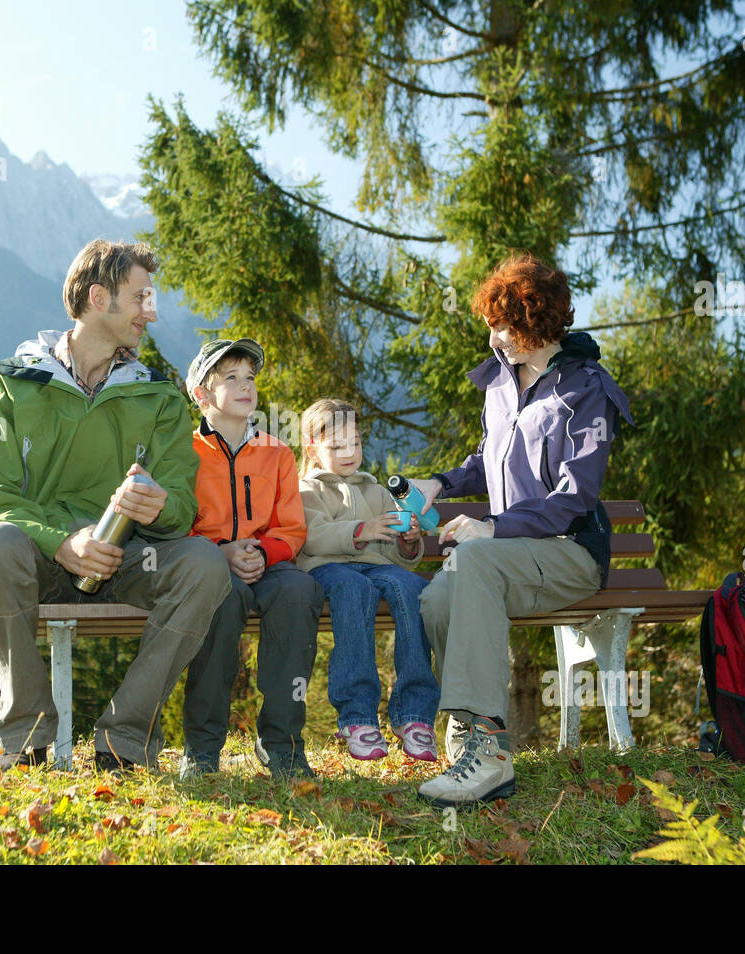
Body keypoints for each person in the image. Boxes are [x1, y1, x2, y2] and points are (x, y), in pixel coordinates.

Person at [0, 239, 230, 775]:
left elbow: (181, 507)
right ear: (99, 298)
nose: (151, 312)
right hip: (32, 554)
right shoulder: (7, 387)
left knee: (204, 564)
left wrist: (158, 504)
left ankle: (124, 739)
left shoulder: (159, 397)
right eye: (140, 297)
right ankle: (28, 736)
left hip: (128, 558)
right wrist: (63, 543)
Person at [411, 253, 633, 807]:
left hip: (568, 552)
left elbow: (574, 497)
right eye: (492, 326)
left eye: (507, 327)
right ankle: (468, 730)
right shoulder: (499, 385)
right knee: (438, 597)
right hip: (508, 553)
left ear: (540, 322)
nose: (497, 339)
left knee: (473, 561)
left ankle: (489, 756)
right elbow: (486, 457)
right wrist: (440, 481)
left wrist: (493, 527)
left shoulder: (587, 389)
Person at [179, 338, 323, 779]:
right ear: (202, 395)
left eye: (251, 378)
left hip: (269, 563)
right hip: (210, 564)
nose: (246, 387)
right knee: (222, 601)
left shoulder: (276, 452)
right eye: (231, 378)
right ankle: (202, 749)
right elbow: (176, 524)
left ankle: (281, 744)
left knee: (300, 592)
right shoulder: (185, 454)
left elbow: (292, 528)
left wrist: (261, 552)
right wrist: (220, 553)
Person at [296, 398, 440, 763]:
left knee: (413, 589)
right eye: (337, 445)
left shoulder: (376, 491)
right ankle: (358, 717)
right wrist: (361, 530)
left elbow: (395, 556)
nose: (349, 452)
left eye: (355, 443)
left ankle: (415, 715)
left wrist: (407, 543)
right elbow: (310, 537)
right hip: (327, 567)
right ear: (312, 448)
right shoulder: (306, 490)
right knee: (354, 588)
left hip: (374, 566)